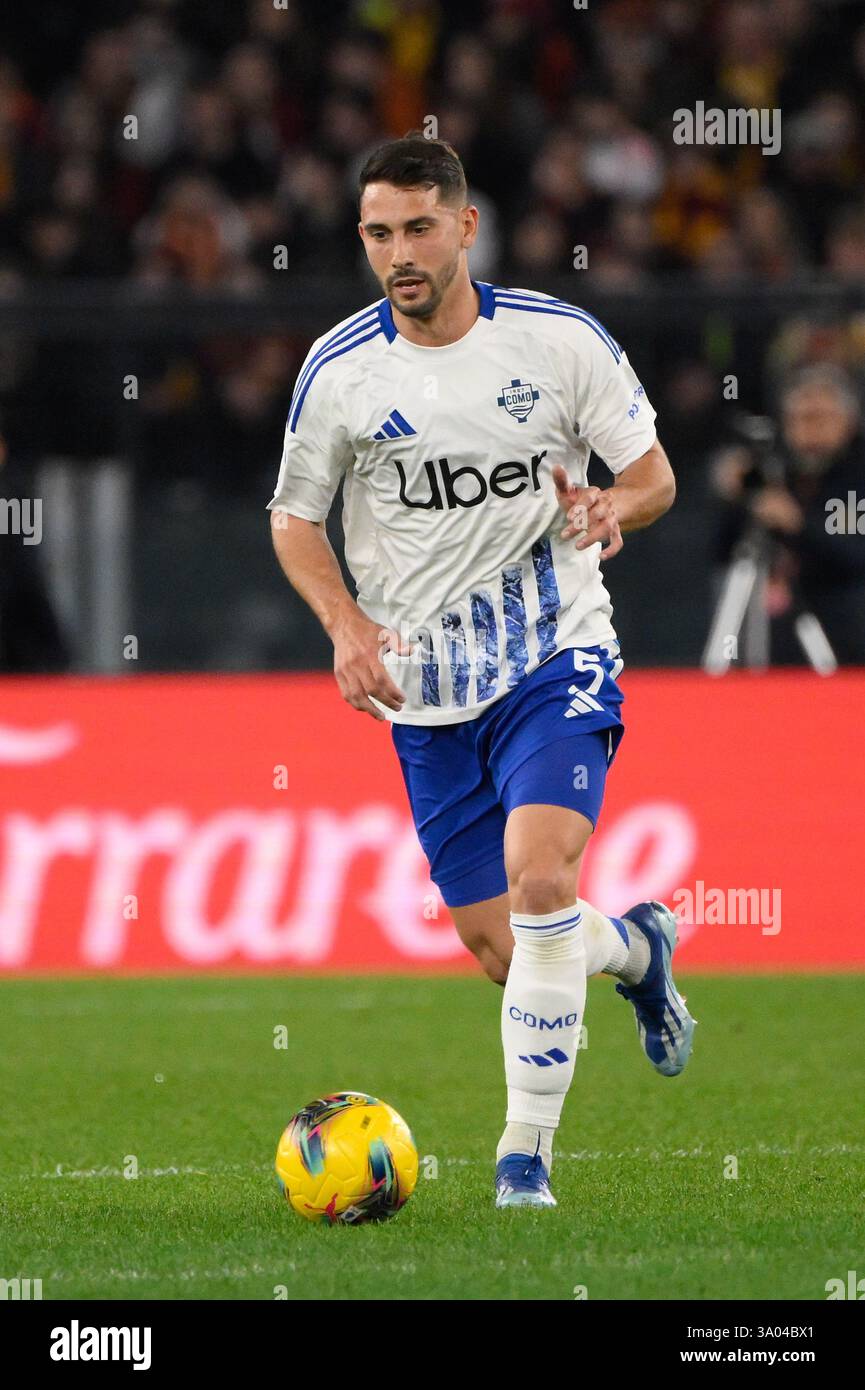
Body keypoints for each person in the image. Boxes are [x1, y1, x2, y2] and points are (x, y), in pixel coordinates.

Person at [268, 135, 696, 1210]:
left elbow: (653, 476)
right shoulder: (340, 369)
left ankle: (523, 1163)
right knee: (505, 948)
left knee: (543, 880)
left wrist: (613, 503)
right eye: (379, 233)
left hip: (555, 652)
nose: (399, 254)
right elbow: (293, 518)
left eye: (419, 228)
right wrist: (344, 624)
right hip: (425, 691)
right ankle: (636, 950)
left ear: (465, 226)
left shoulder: (557, 341)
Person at [712, 364, 865, 664]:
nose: (808, 430)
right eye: (797, 419)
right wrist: (737, 497)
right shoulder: (777, 473)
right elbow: (723, 551)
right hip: (773, 641)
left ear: (848, 421)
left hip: (846, 640)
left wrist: (798, 525)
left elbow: (855, 557)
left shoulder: (857, 477)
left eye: (819, 418)